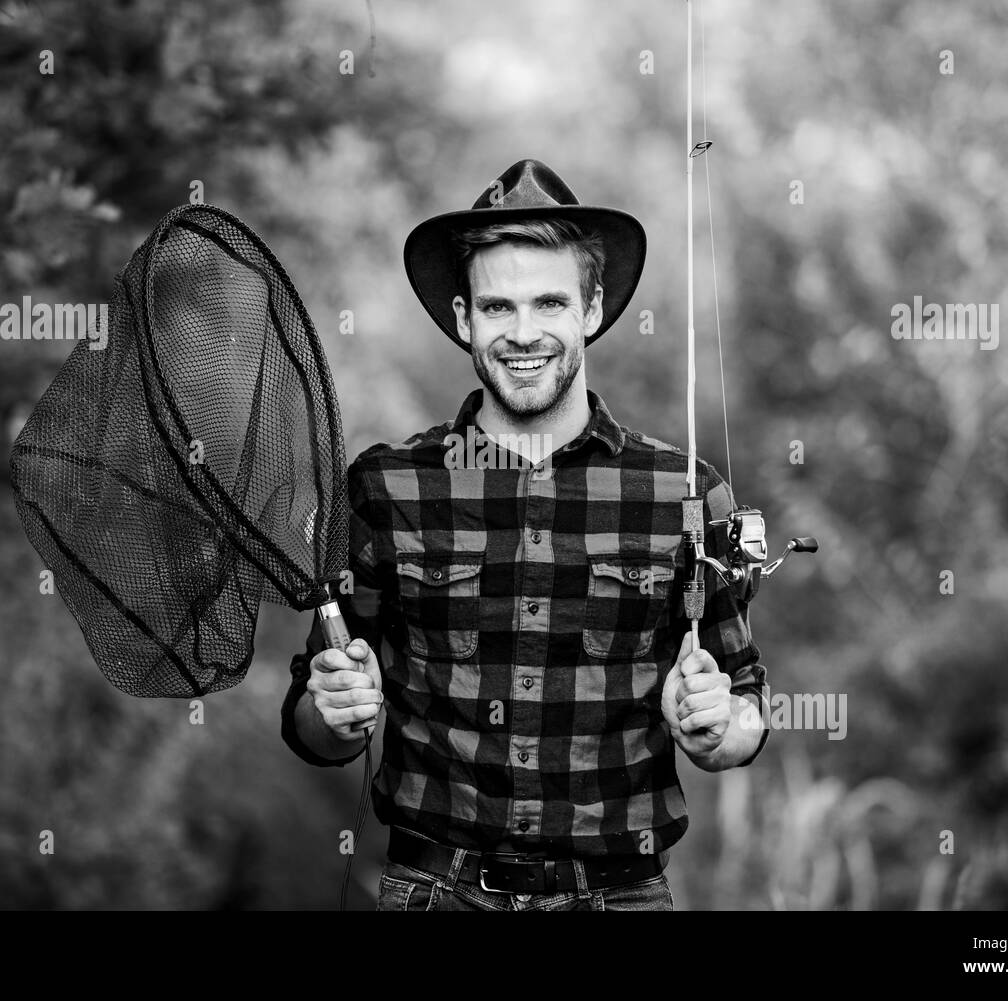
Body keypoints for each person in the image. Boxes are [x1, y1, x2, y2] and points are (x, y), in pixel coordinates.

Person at [281, 159, 768, 911]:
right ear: (463, 318)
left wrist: (715, 729)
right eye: (498, 307)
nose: (524, 333)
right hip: (434, 890)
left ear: (593, 310)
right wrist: (335, 711)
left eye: (549, 302)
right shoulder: (387, 487)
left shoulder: (684, 491)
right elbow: (317, 729)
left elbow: (744, 705)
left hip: (620, 896)